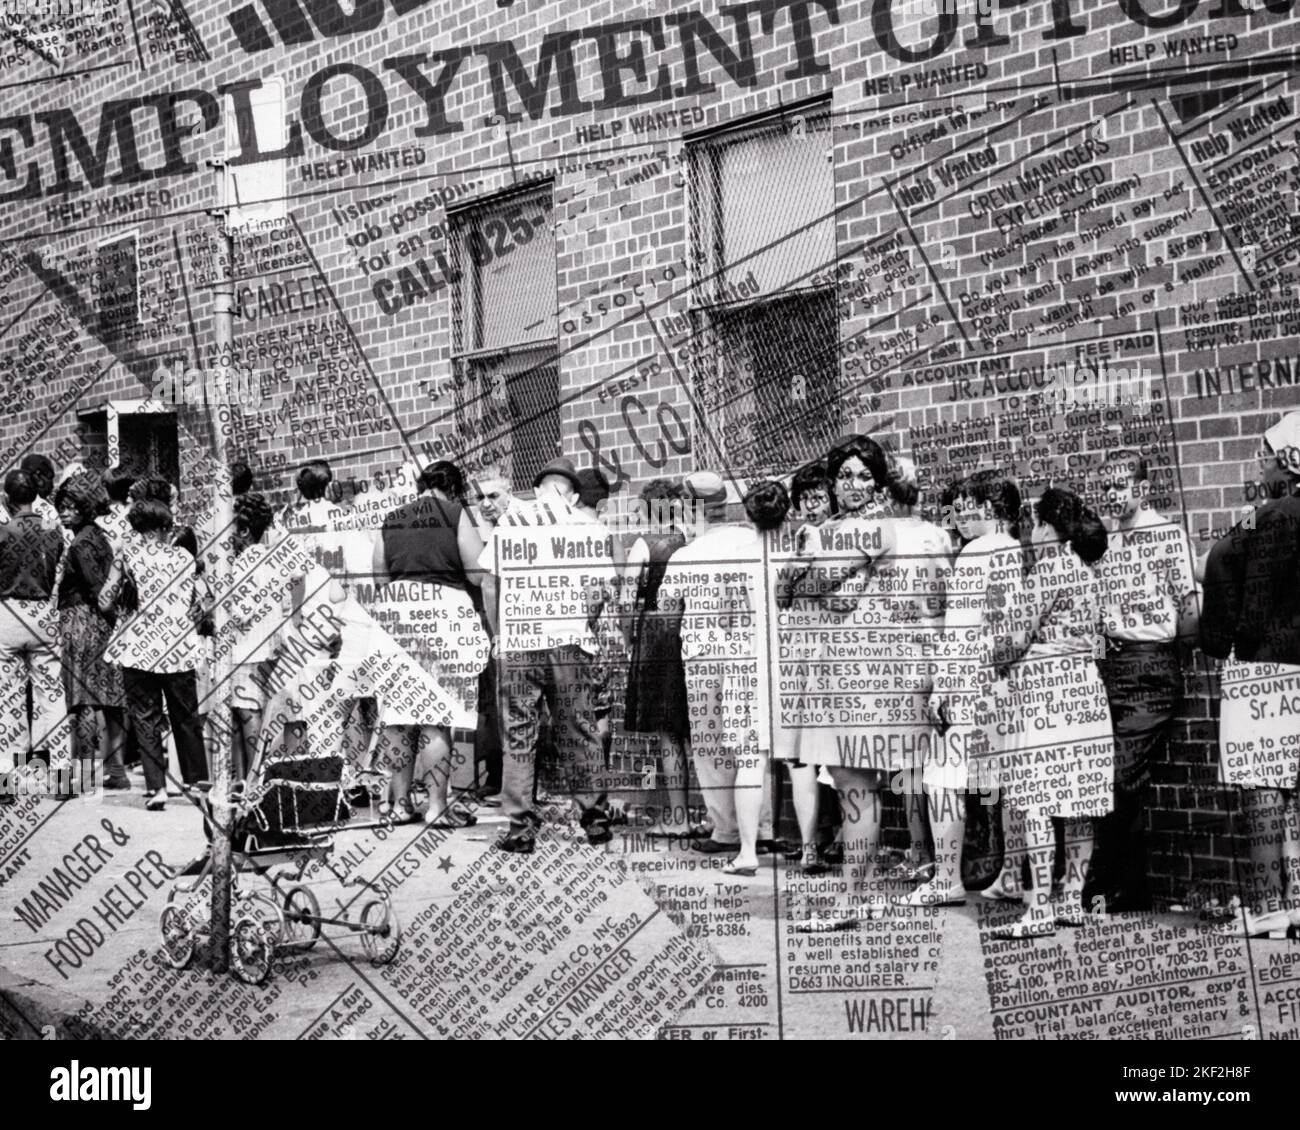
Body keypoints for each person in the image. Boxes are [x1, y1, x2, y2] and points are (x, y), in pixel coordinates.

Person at [783, 437, 904, 929]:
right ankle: (862, 893)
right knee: (850, 782)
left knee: (856, 784)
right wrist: (810, 577)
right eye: (844, 476)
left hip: (863, 668)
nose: (852, 485)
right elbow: (785, 590)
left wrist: (809, 571)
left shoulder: (876, 527)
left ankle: (851, 902)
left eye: (862, 475)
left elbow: (813, 584)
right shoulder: (833, 528)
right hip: (831, 664)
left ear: (877, 481)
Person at [989, 488, 1114, 939]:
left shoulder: (1047, 570)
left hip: (1044, 685)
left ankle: (1038, 908)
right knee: (1078, 799)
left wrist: (991, 653)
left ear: (1046, 526)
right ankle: (1072, 899)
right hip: (1083, 685)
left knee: (1038, 799)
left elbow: (1014, 640)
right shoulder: (1086, 569)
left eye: (1035, 524)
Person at [480, 456, 617, 853]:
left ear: (538, 489)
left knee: (519, 735)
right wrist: (581, 623)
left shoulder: (510, 524)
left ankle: (521, 829)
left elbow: (490, 586)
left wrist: (500, 633)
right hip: (567, 643)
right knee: (580, 730)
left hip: (520, 645)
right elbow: (598, 591)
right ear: (573, 494)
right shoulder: (586, 526)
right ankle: (594, 821)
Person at [1201, 410, 1300, 938]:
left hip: (1265, 669)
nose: (1259, 464)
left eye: (1266, 454)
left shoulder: (1265, 518)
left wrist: (1223, 642)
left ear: (1287, 460)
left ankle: (1267, 906)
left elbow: (1217, 561)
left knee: (1263, 786)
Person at [1087, 448, 1199, 914]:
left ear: (1142, 487)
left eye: (1121, 484)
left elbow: (1190, 608)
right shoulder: (1105, 539)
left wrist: (1167, 657)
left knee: (1119, 775)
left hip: (1150, 666)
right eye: (1107, 486)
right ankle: (1130, 889)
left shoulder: (1165, 535)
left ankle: (1096, 885)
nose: (1113, 494)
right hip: (1111, 665)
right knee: (1117, 779)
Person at [915, 469, 1023, 906]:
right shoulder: (1020, 550)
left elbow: (959, 630)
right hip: (1011, 680)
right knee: (1011, 782)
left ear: (991, 510)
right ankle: (1012, 874)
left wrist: (941, 689)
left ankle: (946, 879)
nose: (959, 517)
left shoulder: (977, 552)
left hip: (970, 680)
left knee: (942, 779)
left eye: (966, 508)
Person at [658, 471, 778, 865]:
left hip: (704, 655)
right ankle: (760, 829)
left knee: (712, 747)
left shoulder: (686, 554)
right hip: (749, 652)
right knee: (752, 746)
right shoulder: (754, 541)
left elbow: (667, 610)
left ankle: (727, 830)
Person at [369, 460, 488, 826]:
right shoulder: (454, 514)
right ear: (453, 488)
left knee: (399, 718)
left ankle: (401, 805)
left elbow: (379, 576)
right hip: (443, 613)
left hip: (398, 613)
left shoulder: (390, 519)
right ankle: (436, 807)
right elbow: (476, 571)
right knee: (438, 718)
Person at [101, 497, 207, 810]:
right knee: (186, 717)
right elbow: (203, 601)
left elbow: (104, 601)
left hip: (138, 647)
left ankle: (156, 788)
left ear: (136, 527)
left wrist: (125, 610)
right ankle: (198, 784)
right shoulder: (185, 558)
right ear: (164, 527)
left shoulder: (126, 556)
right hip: (177, 646)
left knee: (145, 716)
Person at [622, 478, 692, 838]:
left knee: (667, 732)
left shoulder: (643, 545)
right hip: (689, 632)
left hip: (656, 636)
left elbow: (625, 599)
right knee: (692, 728)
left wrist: (627, 637)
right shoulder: (688, 541)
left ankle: (678, 817)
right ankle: (707, 816)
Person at [54, 471, 129, 792]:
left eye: (71, 506)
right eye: (62, 506)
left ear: (85, 508)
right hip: (105, 624)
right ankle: (117, 770)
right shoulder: (99, 538)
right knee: (112, 699)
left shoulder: (80, 544)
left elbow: (99, 589)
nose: (63, 512)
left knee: (83, 701)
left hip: (81, 622)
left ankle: (84, 777)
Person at [782, 460, 839, 870]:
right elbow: (780, 597)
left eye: (818, 498)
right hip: (800, 657)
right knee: (801, 756)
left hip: (836, 657)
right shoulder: (800, 541)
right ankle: (810, 846)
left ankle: (837, 838)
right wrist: (795, 566)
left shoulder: (845, 537)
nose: (811, 507)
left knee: (840, 757)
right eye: (804, 500)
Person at [0, 469, 70, 799]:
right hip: (44, 611)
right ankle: (61, 777)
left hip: (9, 612)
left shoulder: (3, 531)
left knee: (9, 698)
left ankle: (7, 778)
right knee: (51, 695)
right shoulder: (51, 530)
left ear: (8, 499)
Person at [469, 462, 515, 803]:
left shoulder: (512, 531)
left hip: (512, 634)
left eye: (493, 496)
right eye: (479, 497)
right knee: (495, 708)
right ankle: (499, 778)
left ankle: (514, 788)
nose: (485, 503)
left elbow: (488, 585)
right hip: (492, 633)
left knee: (512, 711)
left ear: (510, 495)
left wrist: (499, 634)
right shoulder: (488, 536)